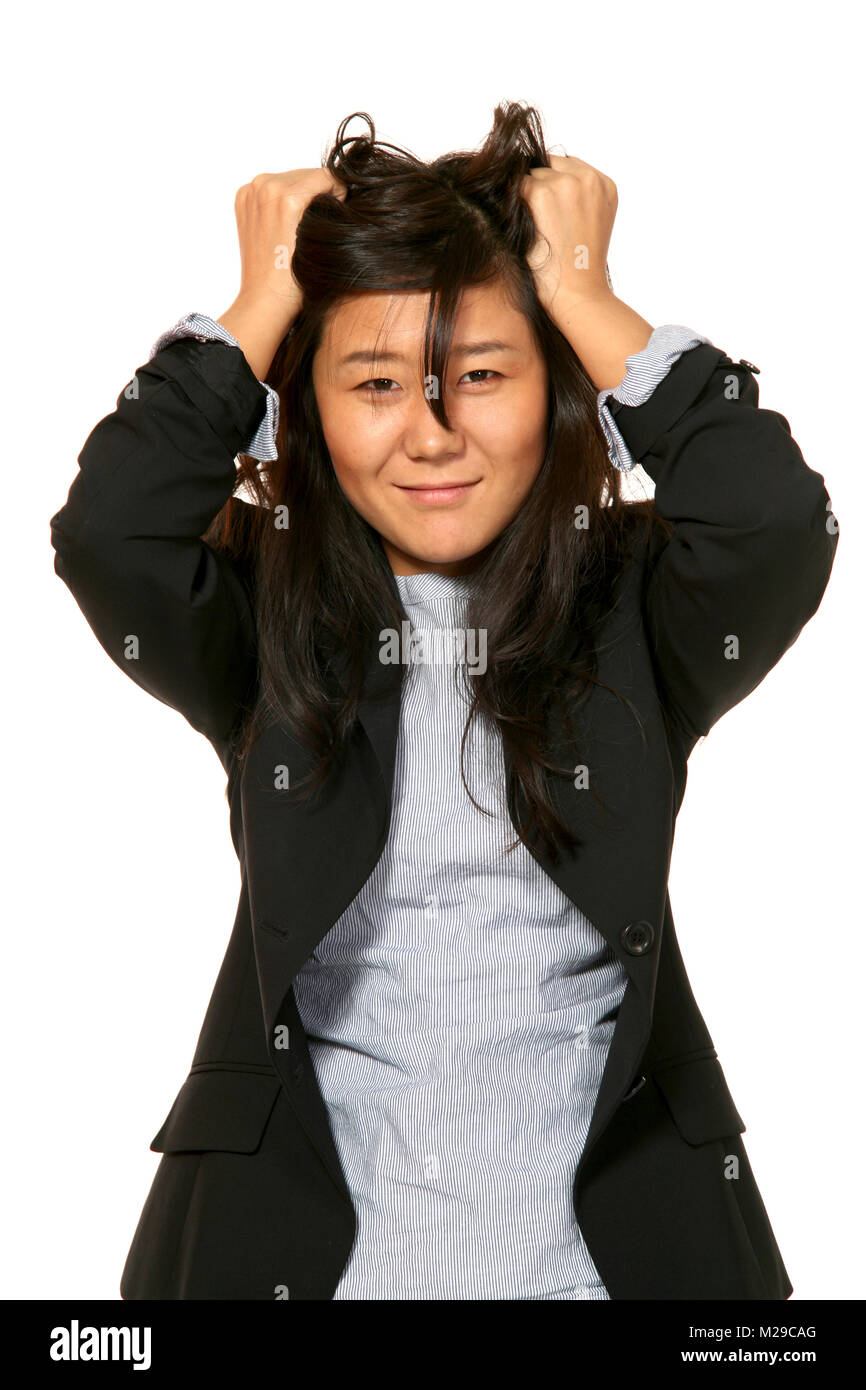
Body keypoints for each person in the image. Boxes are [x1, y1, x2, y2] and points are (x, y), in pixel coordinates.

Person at [49, 102, 839, 1300]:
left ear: (555, 389)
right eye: (372, 380)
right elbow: (109, 531)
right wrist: (255, 305)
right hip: (304, 1263)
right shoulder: (263, 617)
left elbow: (773, 520)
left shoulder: (635, 604)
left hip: (609, 1266)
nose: (430, 434)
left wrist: (583, 295)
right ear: (302, 405)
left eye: (478, 374)